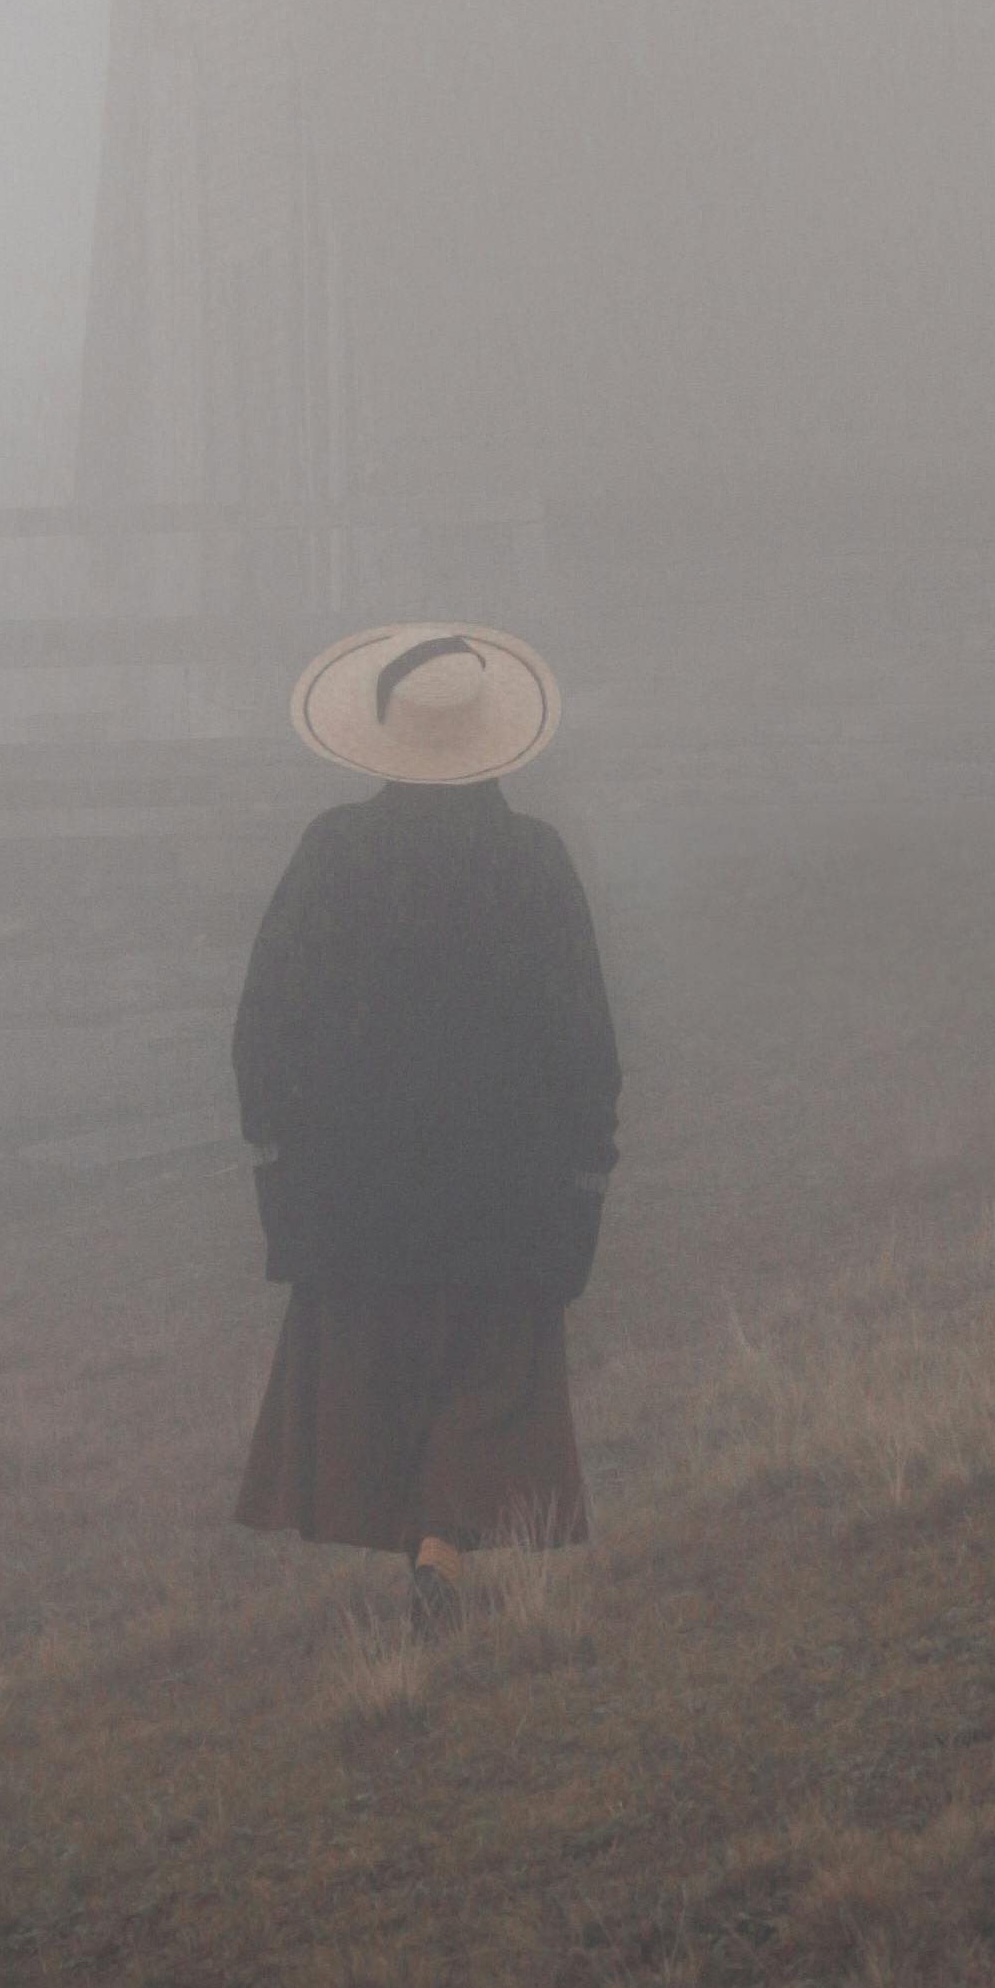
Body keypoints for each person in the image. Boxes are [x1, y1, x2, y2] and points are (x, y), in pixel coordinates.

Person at [231, 621, 620, 1635]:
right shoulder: (532, 859)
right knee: (488, 1375)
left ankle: (429, 1552)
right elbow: (583, 1029)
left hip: (360, 1190)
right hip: (507, 1188)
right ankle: (443, 1546)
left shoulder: (334, 851)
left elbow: (268, 1013)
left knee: (381, 1372)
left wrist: (276, 1144)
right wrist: (586, 1167)